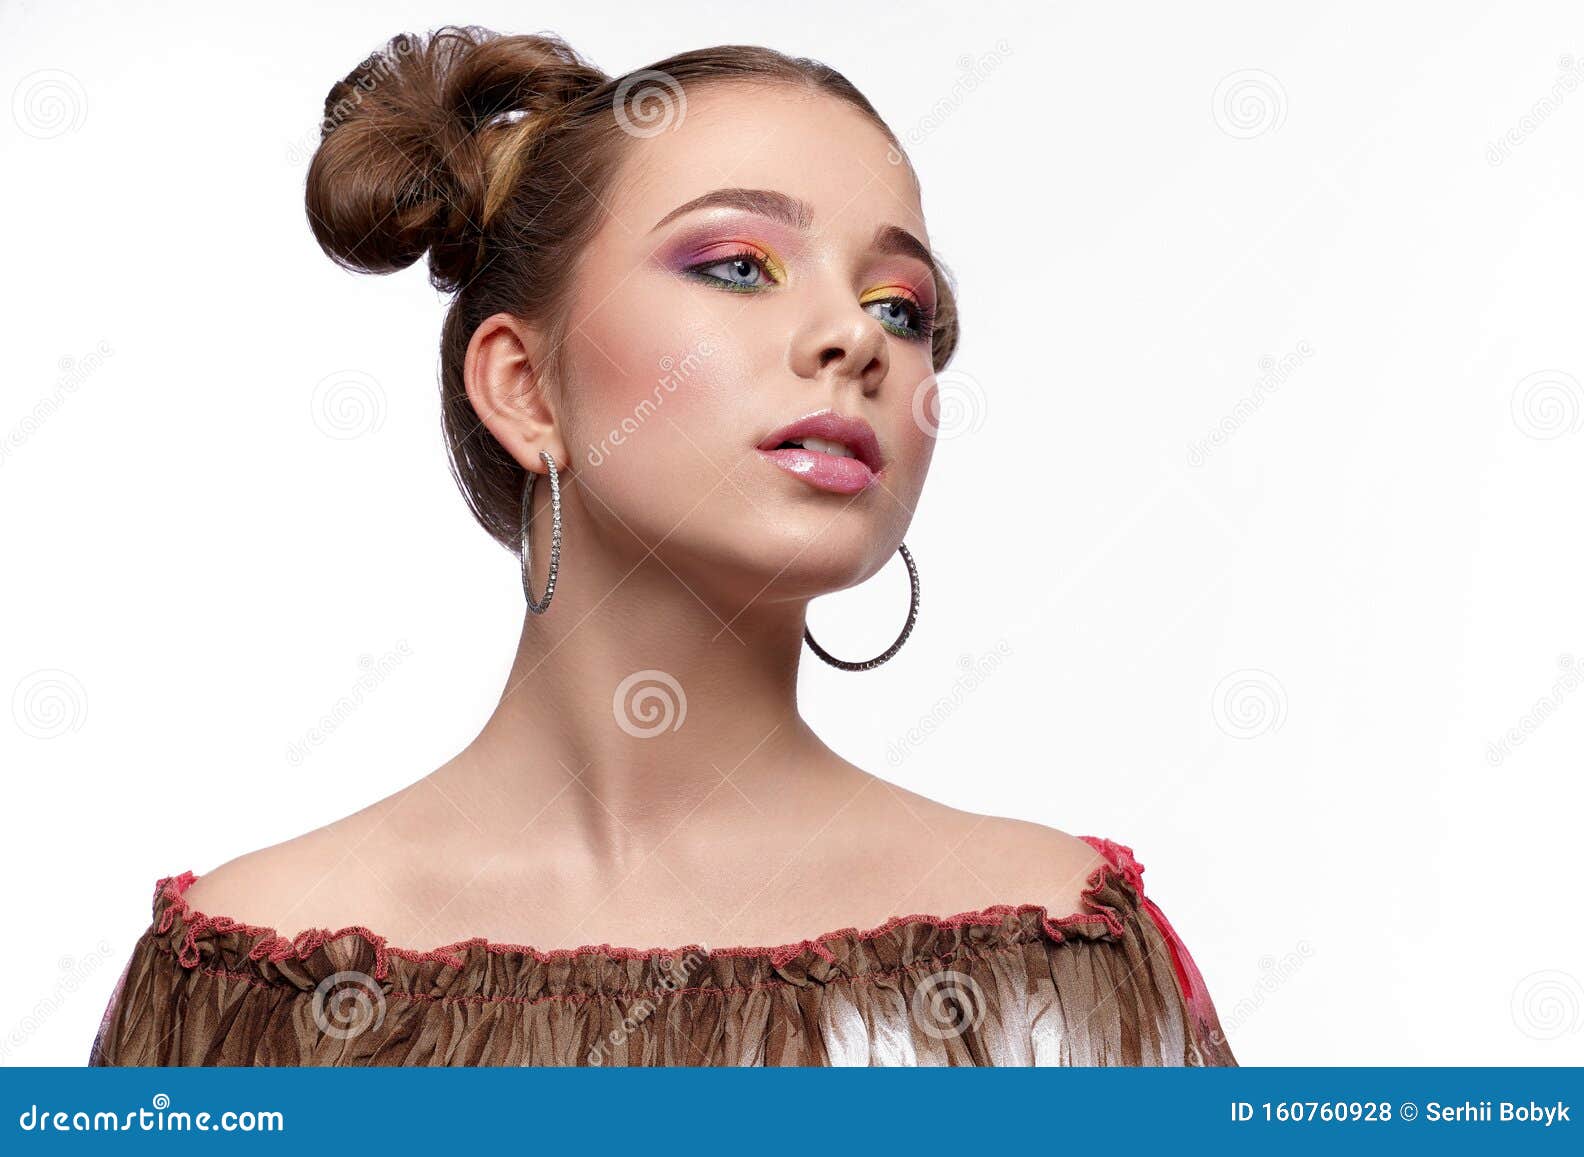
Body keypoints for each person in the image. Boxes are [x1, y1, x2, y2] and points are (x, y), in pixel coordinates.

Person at [89, 25, 1237, 1067]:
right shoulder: (249, 979)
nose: (853, 335)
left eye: (901, 304)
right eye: (738, 266)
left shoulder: (1067, 953)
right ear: (525, 385)